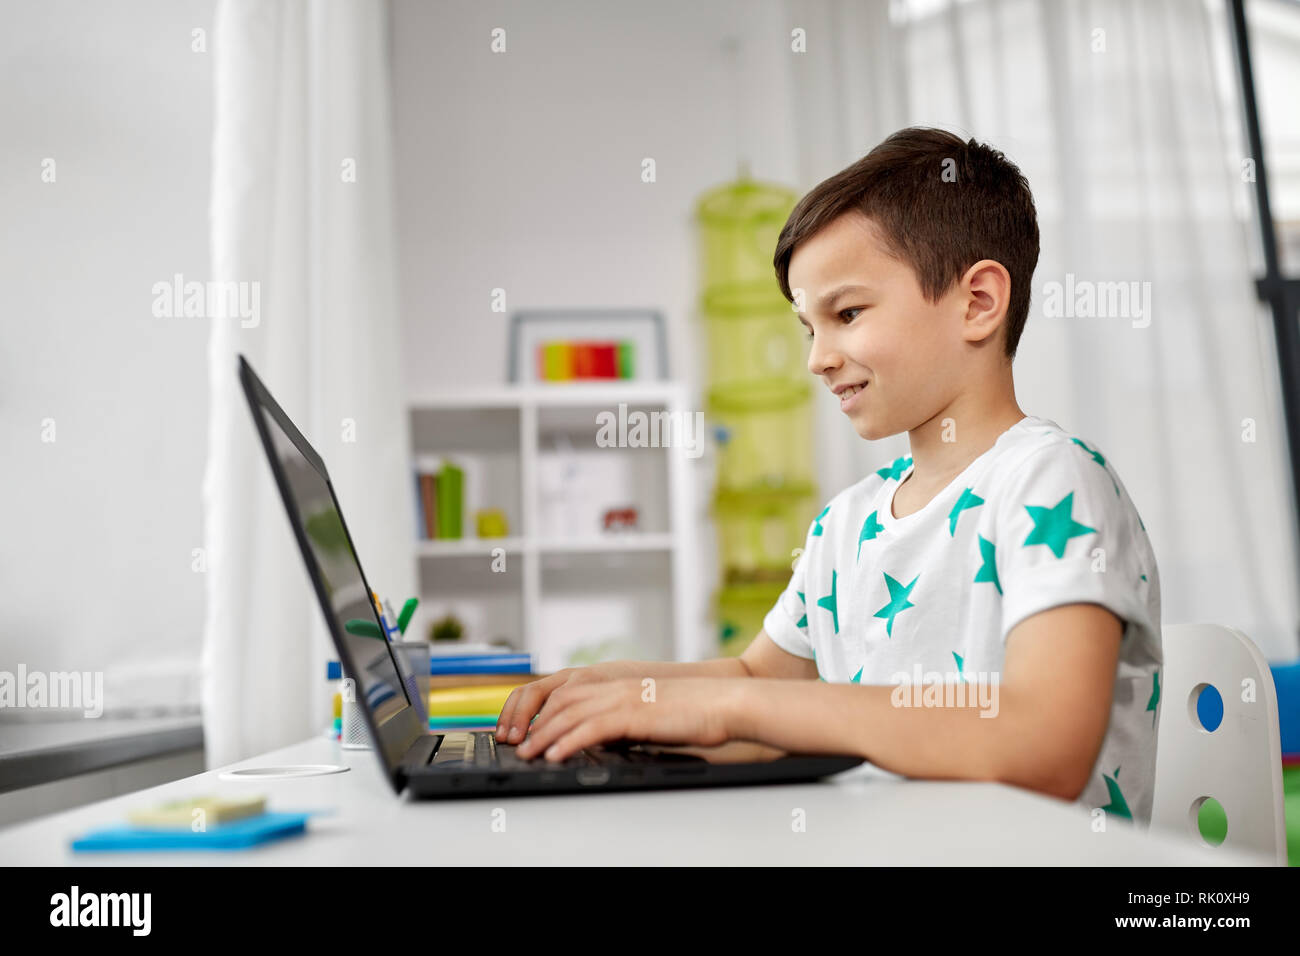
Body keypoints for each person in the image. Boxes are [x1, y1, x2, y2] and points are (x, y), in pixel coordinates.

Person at [495, 127, 1162, 827]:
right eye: (808, 329)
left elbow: (1044, 746)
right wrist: (624, 691)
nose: (817, 359)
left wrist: (735, 705)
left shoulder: (1051, 482)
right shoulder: (848, 522)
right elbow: (756, 682)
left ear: (978, 303)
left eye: (846, 314)